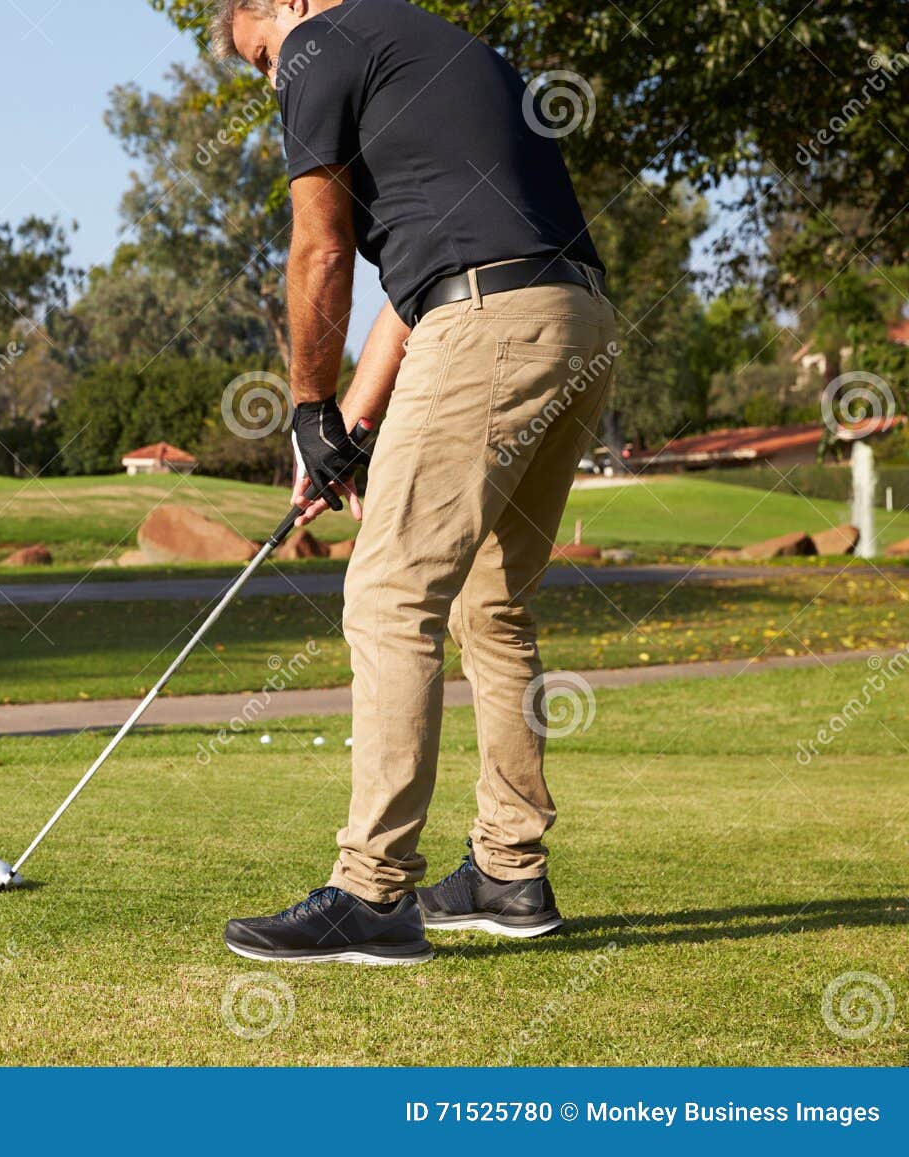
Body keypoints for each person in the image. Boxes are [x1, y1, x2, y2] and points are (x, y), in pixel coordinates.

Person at [211, 0, 619, 965]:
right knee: (493, 600)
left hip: (489, 321)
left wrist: (304, 405)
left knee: (390, 591)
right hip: (577, 319)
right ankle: (510, 873)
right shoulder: (444, 49)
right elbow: (419, 287)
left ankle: (372, 891)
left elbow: (320, 249)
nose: (271, 76)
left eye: (260, 53)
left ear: (289, 10)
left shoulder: (320, 44)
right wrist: (343, 429)